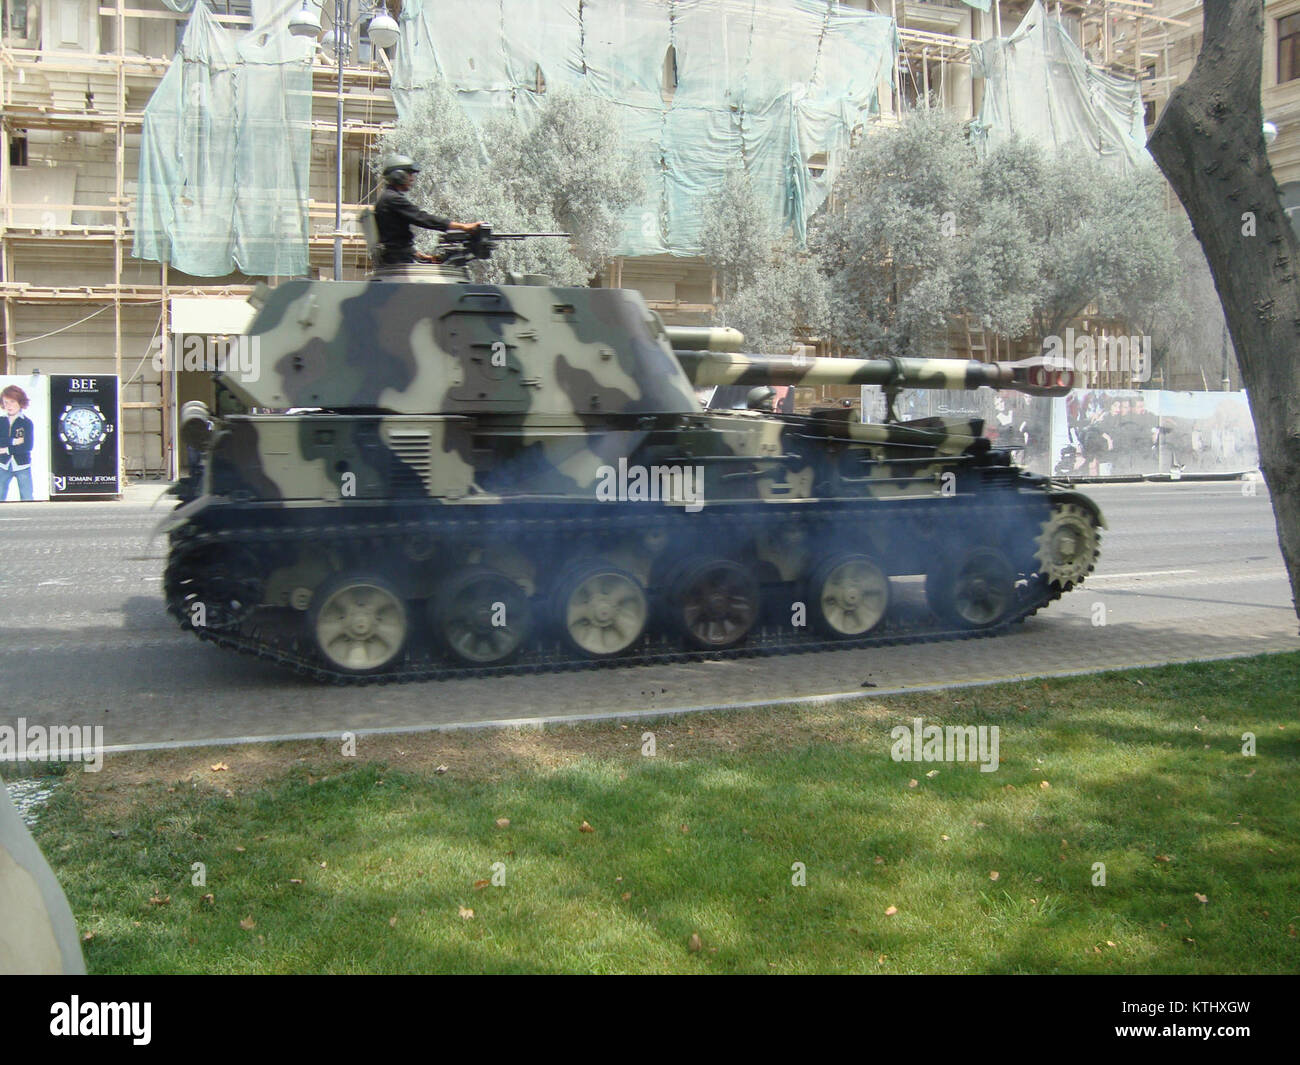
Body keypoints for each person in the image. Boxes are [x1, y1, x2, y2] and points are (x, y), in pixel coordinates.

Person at [374, 155, 481, 265]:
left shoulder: (388, 198)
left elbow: (395, 238)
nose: (412, 179)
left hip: (397, 258)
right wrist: (464, 227)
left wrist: (420, 255)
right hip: (398, 261)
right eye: (409, 174)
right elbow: (423, 218)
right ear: (398, 176)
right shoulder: (393, 199)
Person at [0, 383, 35, 501]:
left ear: (20, 402)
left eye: (12, 402)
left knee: (27, 496)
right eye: (6, 402)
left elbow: (27, 446)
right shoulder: (1, 421)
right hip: (2, 465)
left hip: (22, 465)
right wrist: (14, 441)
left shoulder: (26, 422)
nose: (9, 406)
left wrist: (6, 449)